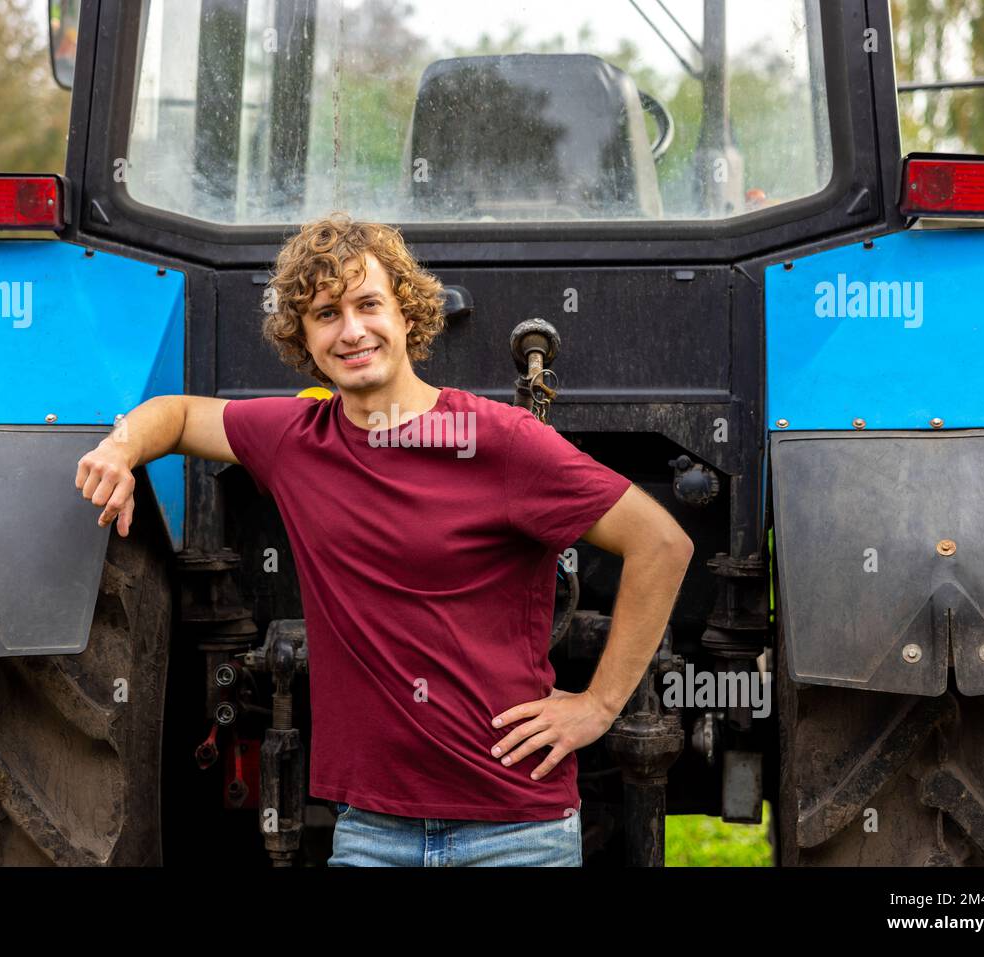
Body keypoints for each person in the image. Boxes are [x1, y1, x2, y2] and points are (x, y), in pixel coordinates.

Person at [74, 212, 694, 866]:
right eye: (325, 314)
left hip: (516, 833)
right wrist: (120, 449)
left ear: (407, 313)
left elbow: (661, 543)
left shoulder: (501, 440)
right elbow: (177, 413)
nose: (352, 330)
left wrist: (599, 705)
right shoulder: (294, 440)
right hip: (371, 834)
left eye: (369, 304)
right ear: (302, 337)